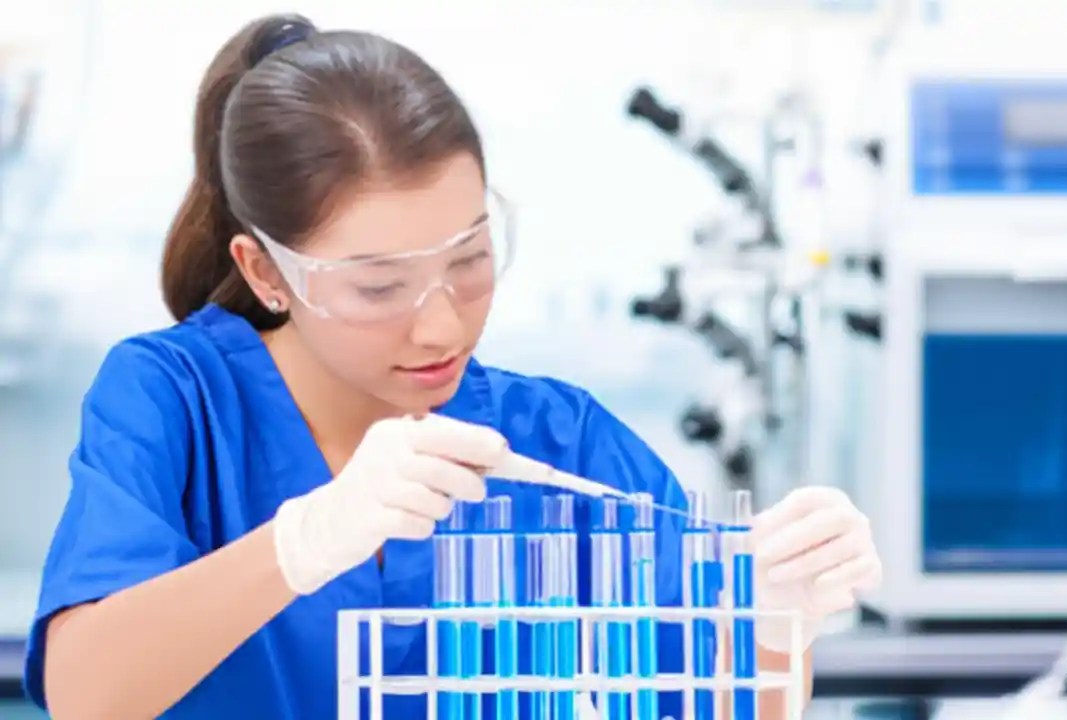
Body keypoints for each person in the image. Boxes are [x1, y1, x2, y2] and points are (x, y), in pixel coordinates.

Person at [24, 13, 882, 720]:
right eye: (379, 285)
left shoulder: (555, 437)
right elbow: (85, 694)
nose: (440, 323)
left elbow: (724, 701)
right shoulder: (176, 401)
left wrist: (779, 616)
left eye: (469, 258)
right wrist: (306, 539)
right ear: (266, 272)